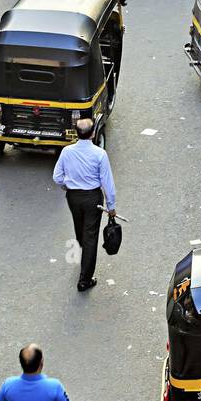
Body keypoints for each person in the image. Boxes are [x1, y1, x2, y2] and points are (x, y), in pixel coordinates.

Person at [52, 118, 117, 291]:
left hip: (73, 197)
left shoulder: (67, 152)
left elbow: (57, 177)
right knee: (91, 236)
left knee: (80, 227)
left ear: (76, 133)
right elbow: (107, 183)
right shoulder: (99, 154)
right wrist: (111, 207)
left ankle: (82, 251)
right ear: (93, 133)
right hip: (92, 199)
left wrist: (68, 185)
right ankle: (85, 279)